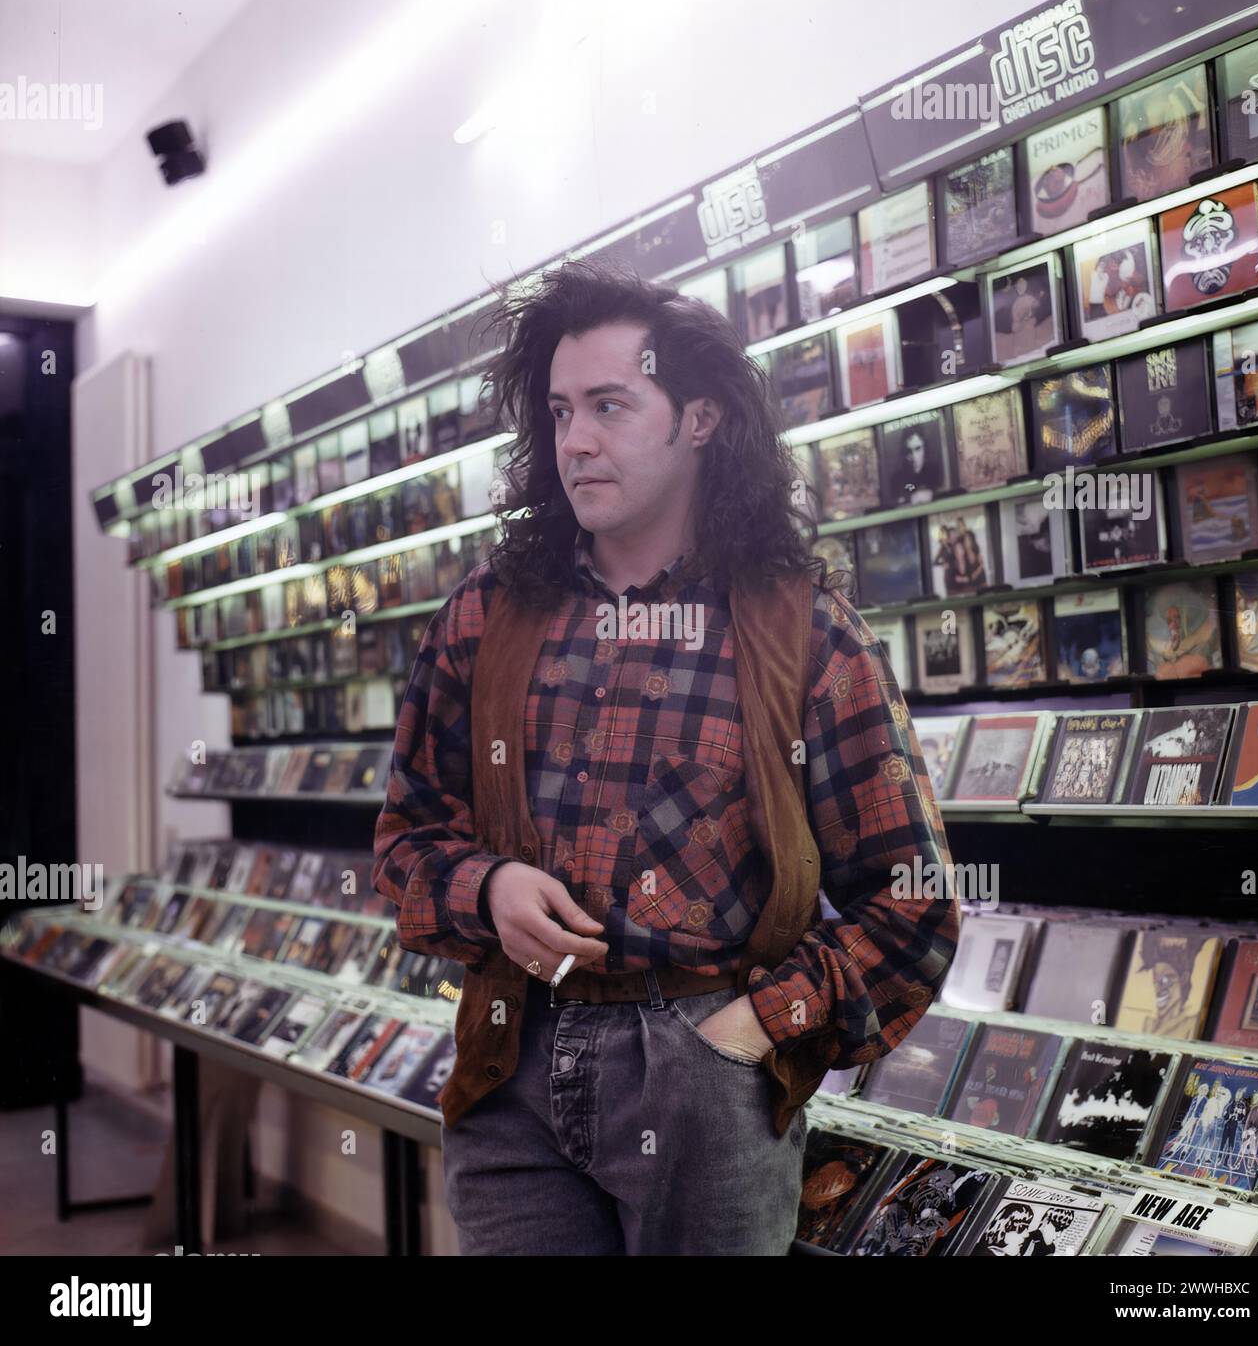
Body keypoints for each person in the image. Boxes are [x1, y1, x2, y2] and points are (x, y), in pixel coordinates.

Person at [372, 260, 959, 1256]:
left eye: (609, 404)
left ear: (698, 419)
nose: (576, 440)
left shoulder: (803, 632)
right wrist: (487, 886)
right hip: (508, 1061)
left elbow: (913, 903)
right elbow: (403, 844)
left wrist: (749, 1029)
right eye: (558, 411)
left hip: (701, 1079)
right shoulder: (487, 610)